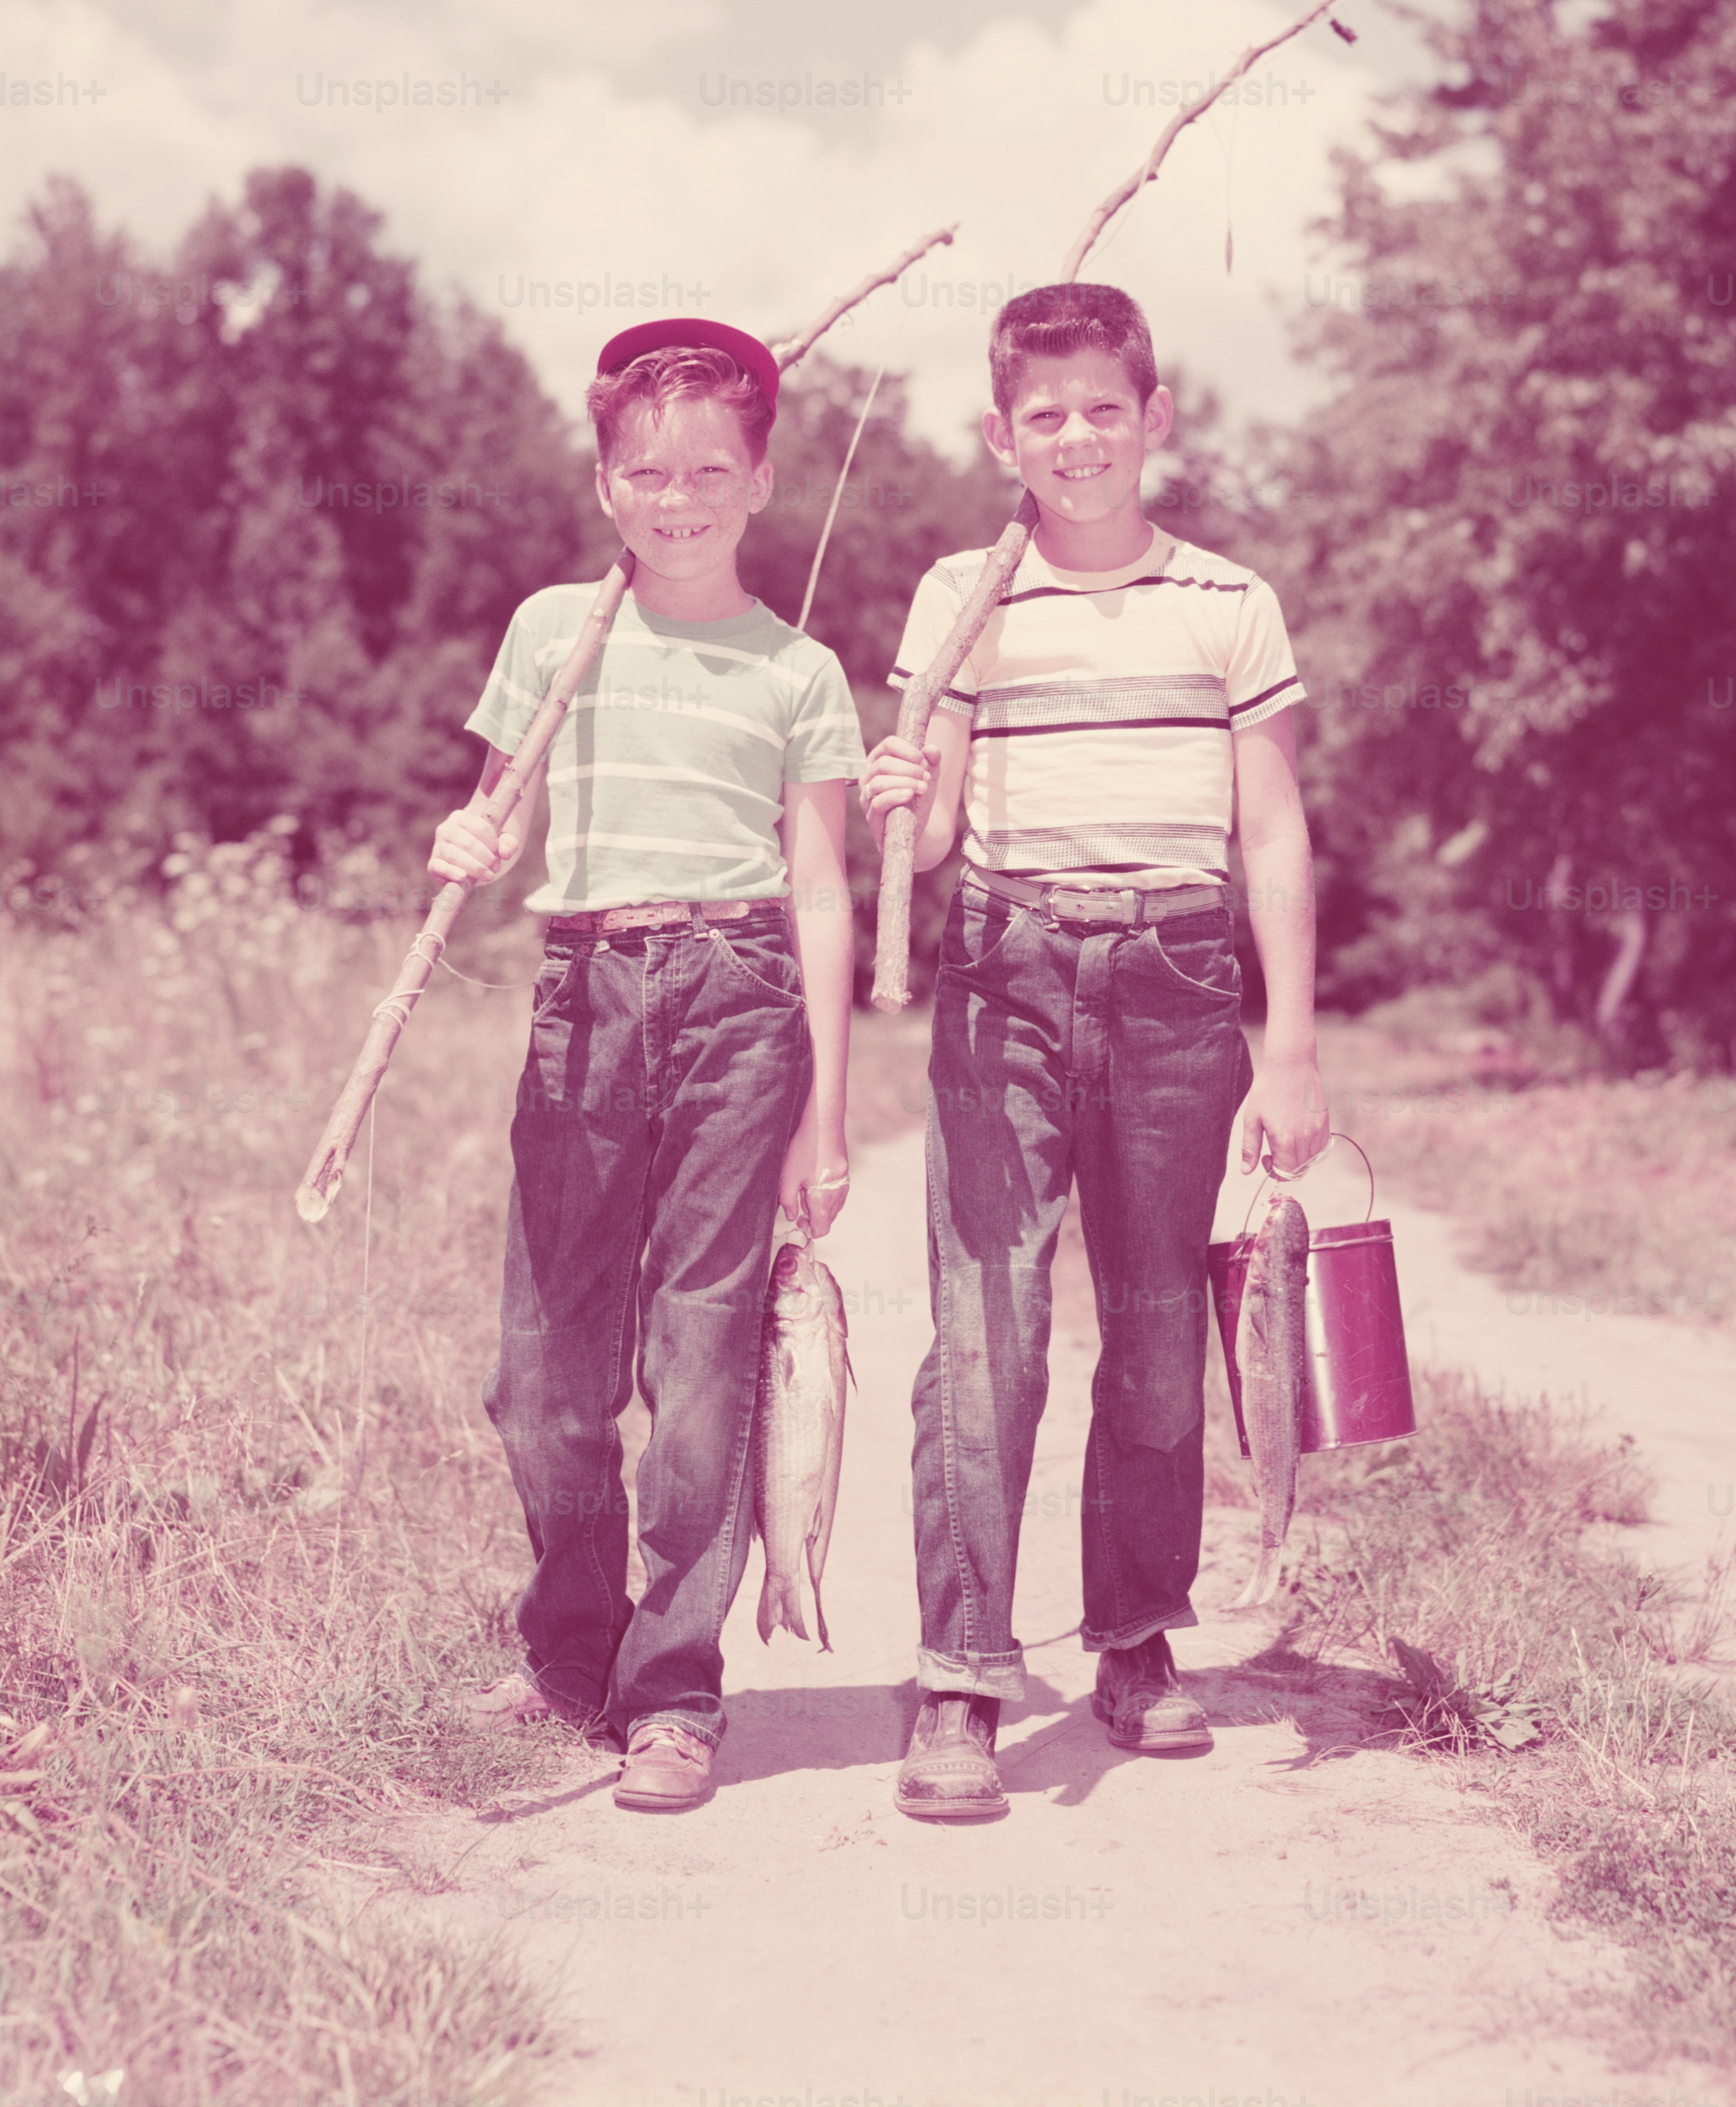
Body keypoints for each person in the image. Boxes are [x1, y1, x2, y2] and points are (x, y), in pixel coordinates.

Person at [860, 281, 1328, 1820]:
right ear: (1000, 432)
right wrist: (899, 793)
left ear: (1155, 417)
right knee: (987, 1335)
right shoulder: (960, 596)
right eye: (1041, 414)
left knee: (1150, 1337)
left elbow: (1270, 829)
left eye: (1101, 409)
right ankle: (961, 1671)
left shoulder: (1225, 601)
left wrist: (1292, 1047)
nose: (1074, 436)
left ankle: (1133, 1638)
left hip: (1179, 981)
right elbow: (927, 844)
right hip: (1003, 970)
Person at [430, 318, 861, 1812]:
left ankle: (674, 1688)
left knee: (698, 1369)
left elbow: (818, 887)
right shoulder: (559, 631)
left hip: (741, 1000)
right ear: (606, 482)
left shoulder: (799, 667)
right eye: (647, 471)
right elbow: (499, 809)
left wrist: (830, 1106)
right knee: (541, 1383)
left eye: (709, 470)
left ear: (757, 482)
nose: (677, 496)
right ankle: (574, 1646)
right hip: (585, 990)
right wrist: (465, 843)